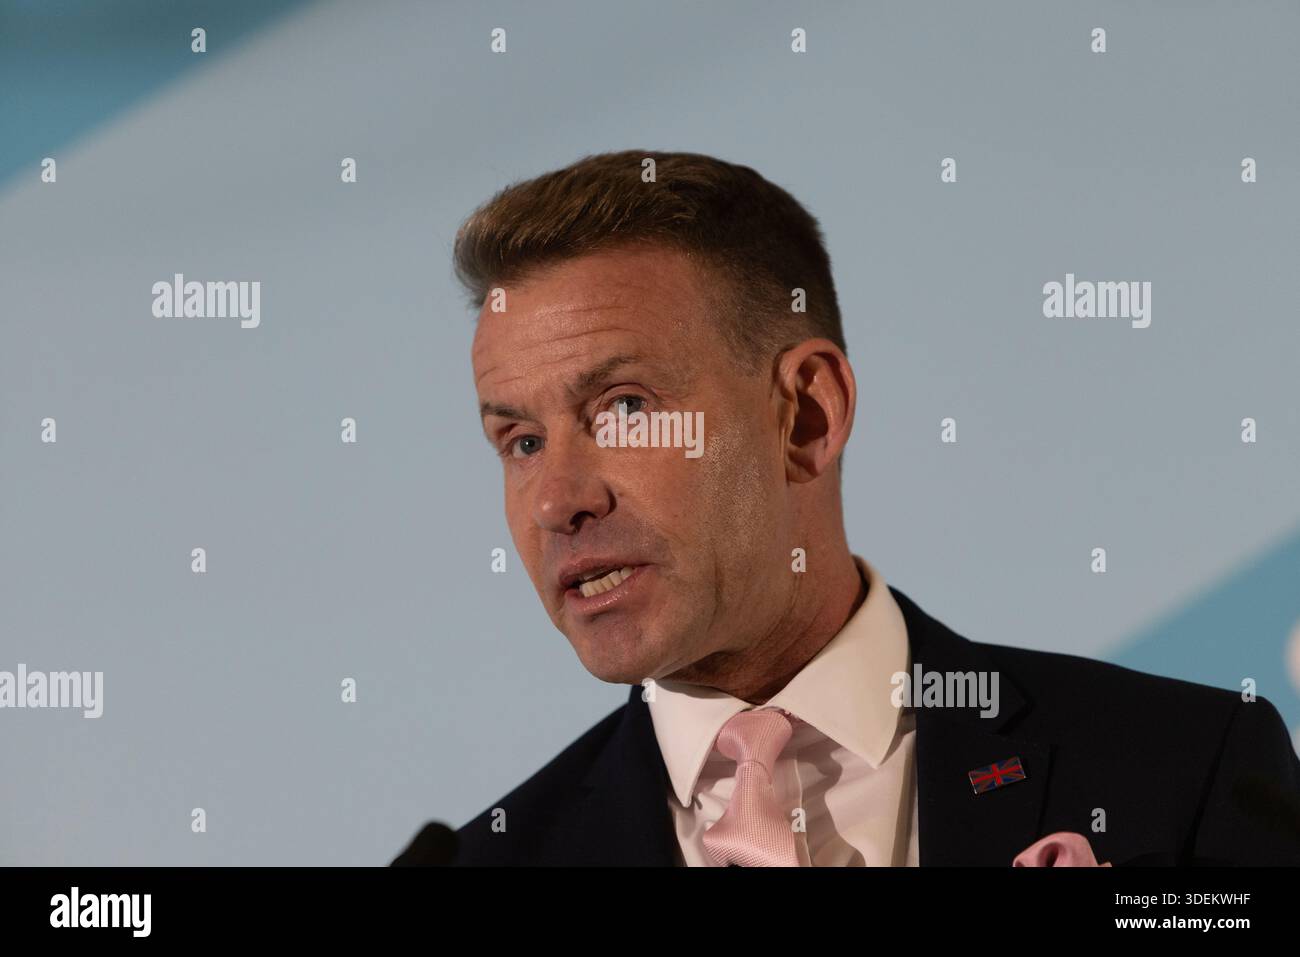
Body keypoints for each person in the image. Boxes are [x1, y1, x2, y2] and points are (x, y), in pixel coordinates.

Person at [396, 150, 1300, 866]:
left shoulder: (1185, 770)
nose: (558, 499)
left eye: (625, 408)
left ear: (807, 415)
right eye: (519, 441)